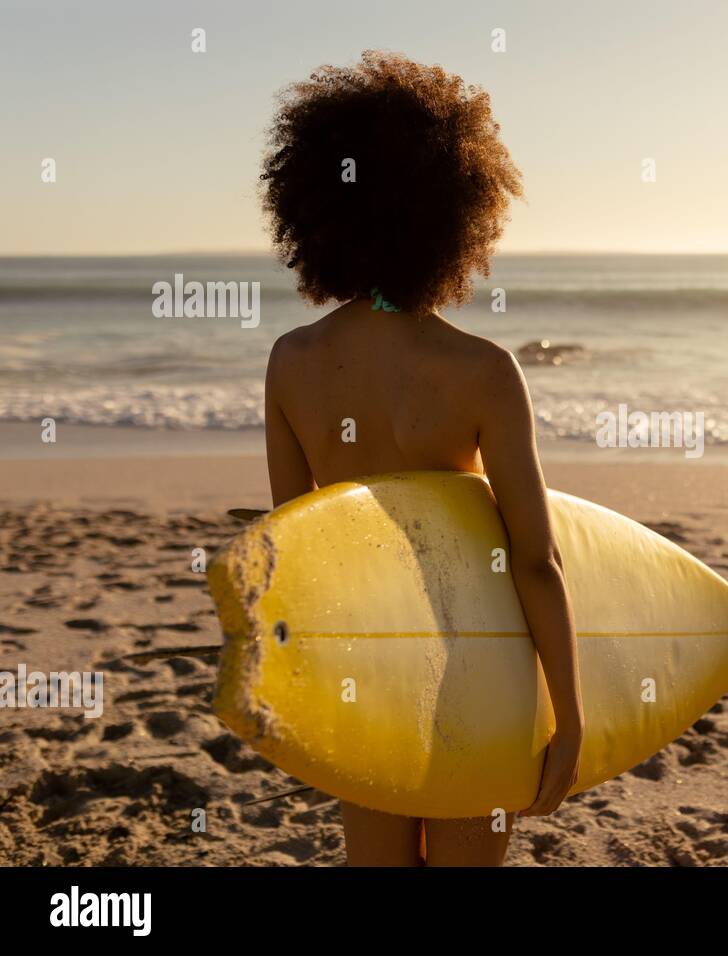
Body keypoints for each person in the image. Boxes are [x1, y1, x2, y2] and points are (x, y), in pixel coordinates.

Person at [258, 50, 583, 866]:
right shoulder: (483, 371)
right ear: (457, 214)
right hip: (483, 667)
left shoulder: (292, 362)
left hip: (369, 669)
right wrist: (572, 714)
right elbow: (536, 561)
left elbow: (294, 550)